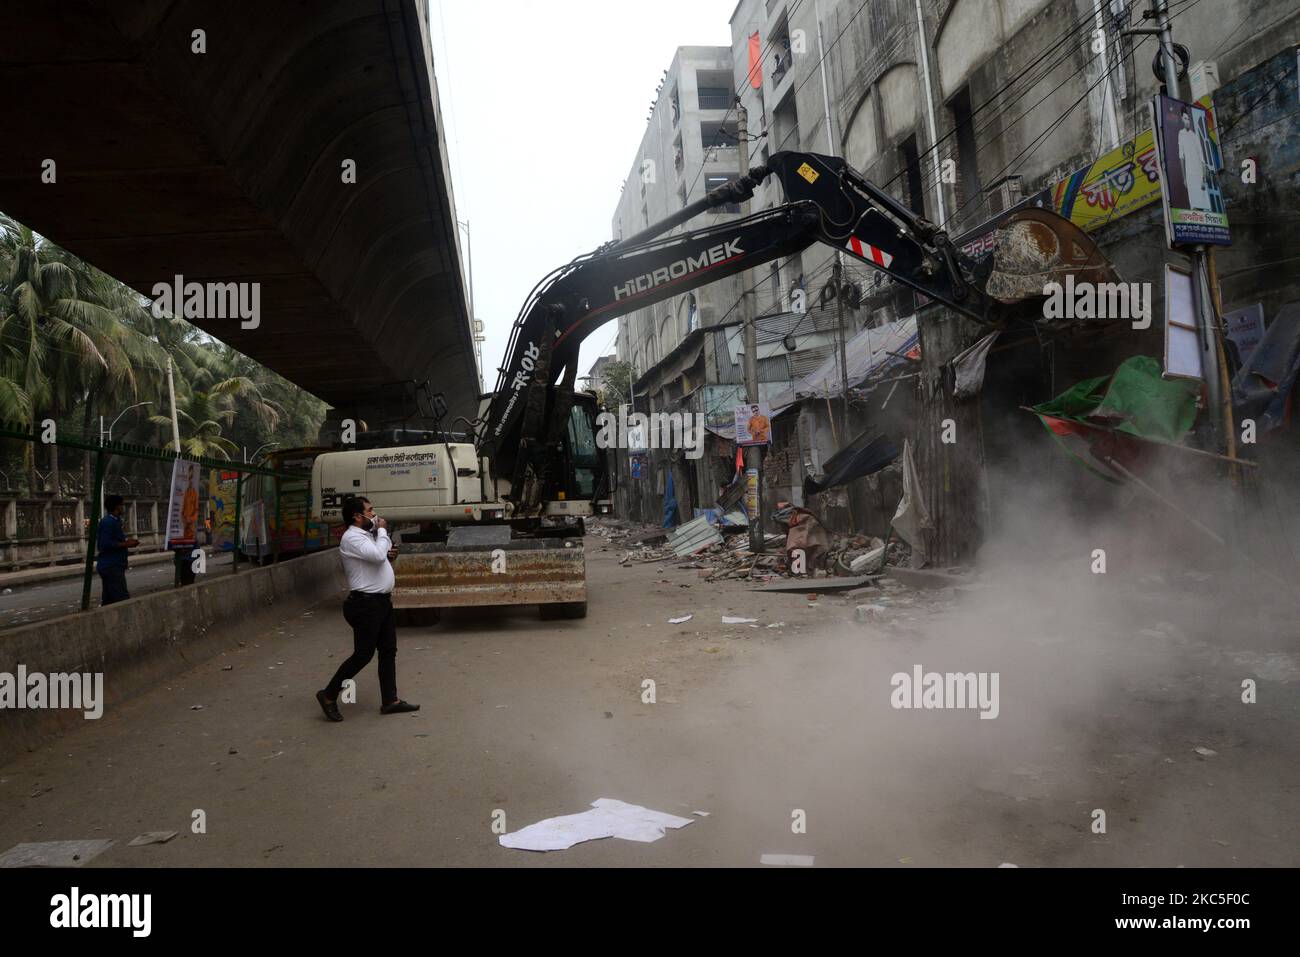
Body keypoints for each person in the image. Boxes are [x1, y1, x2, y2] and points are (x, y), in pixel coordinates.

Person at [315, 496, 419, 721]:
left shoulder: (366, 537)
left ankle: (390, 700)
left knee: (388, 651)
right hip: (365, 604)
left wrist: (391, 555)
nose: (375, 515)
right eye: (370, 511)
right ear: (357, 516)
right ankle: (329, 695)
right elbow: (377, 554)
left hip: (381, 602)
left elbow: (380, 558)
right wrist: (382, 532)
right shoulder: (351, 537)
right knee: (363, 655)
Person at [96, 495, 139, 605]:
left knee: (109, 600)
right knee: (122, 599)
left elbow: (116, 538)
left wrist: (127, 541)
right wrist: (126, 544)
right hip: (111, 566)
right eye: (122, 505)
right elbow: (105, 544)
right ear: (117, 507)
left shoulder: (115, 521)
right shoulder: (108, 522)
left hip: (114, 565)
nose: (123, 507)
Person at [1177, 108, 1210, 211]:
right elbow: (1181, 157)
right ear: (1182, 119)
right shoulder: (1181, 134)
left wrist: (1204, 178)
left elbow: (1202, 159)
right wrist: (1184, 178)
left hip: (1199, 174)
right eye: (1185, 119)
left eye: (1189, 119)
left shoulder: (1194, 136)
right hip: (1190, 174)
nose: (1188, 121)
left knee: (1204, 206)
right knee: (1194, 207)